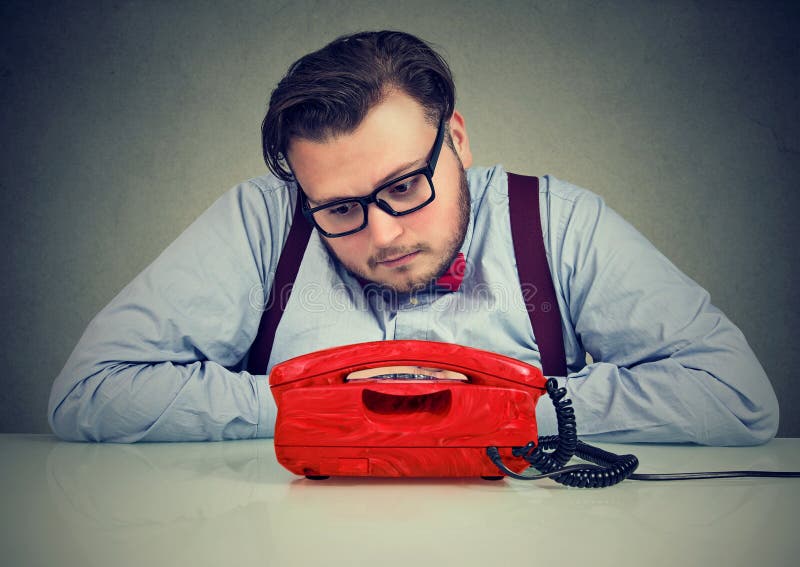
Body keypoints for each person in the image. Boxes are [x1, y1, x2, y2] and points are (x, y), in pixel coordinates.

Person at [48, 30, 779, 445]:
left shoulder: (558, 222)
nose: (384, 233)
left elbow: (737, 398)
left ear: (456, 139)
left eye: (404, 186)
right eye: (338, 209)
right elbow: (90, 391)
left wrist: (494, 405)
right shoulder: (262, 221)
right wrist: (345, 406)